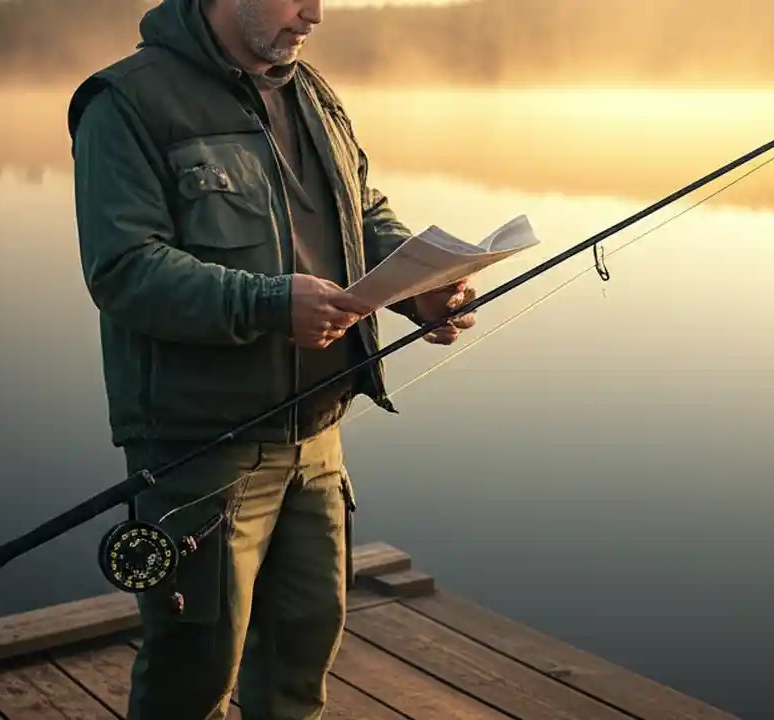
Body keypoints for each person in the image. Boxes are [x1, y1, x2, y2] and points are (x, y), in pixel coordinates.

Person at [67, 0, 476, 717]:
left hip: (318, 447)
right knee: (191, 681)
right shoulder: (126, 102)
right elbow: (125, 271)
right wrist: (267, 303)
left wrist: (423, 289)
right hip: (202, 457)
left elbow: (362, 210)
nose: (315, 14)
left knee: (299, 666)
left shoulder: (312, 91)